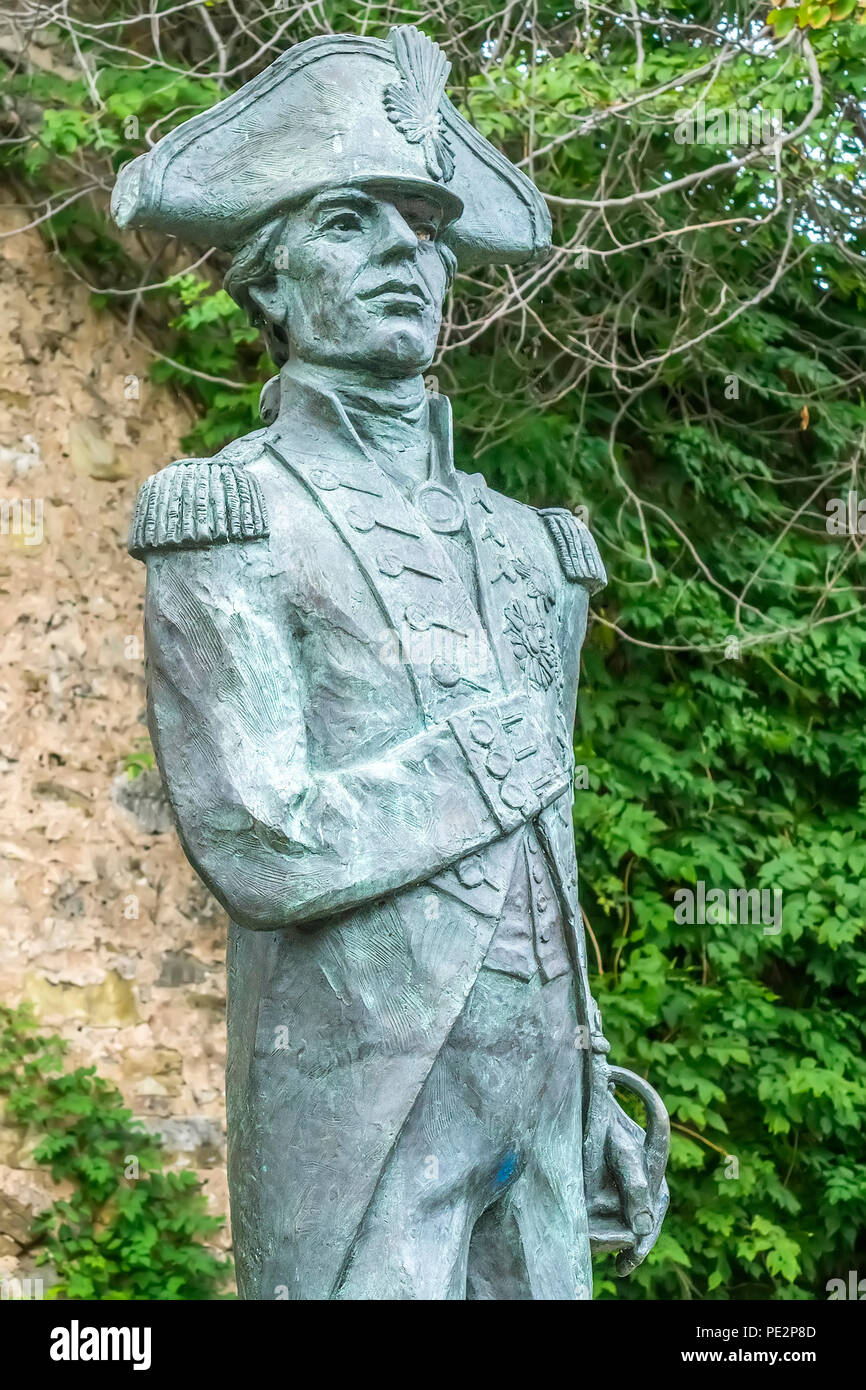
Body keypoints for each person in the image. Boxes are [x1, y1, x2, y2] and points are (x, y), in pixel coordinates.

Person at [114, 24, 668, 1300]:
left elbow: (551, 854)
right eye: (350, 223)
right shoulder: (230, 512)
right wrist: (476, 761)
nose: (403, 258)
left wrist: (583, 1077)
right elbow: (262, 834)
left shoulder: (535, 548)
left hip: (534, 1106)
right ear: (269, 282)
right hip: (353, 1101)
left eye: (423, 230)